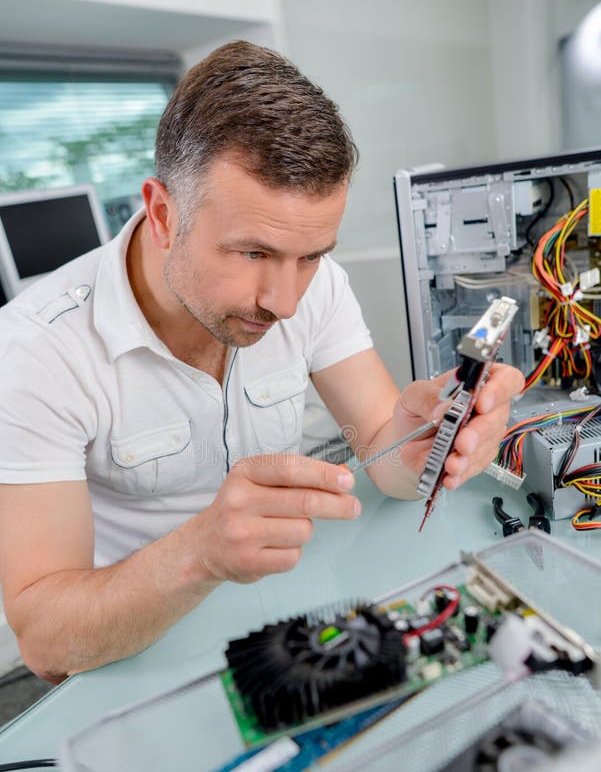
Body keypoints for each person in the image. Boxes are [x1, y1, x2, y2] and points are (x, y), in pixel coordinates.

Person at [0, 41, 523, 683]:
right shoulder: (36, 349)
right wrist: (203, 553)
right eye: (252, 253)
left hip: (290, 624)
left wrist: (424, 442)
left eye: (310, 256)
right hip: (134, 653)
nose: (284, 300)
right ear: (164, 214)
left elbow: (383, 451)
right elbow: (48, 641)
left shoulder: (315, 286)